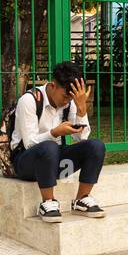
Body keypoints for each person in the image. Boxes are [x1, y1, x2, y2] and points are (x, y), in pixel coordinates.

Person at [12, 61, 107, 223]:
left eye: (71, 98)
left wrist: (81, 109)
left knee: (96, 146)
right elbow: (29, 144)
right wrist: (54, 132)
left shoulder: (70, 104)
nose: (66, 101)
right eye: (65, 96)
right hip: (26, 164)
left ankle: (81, 199)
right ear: (53, 85)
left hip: (54, 164)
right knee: (49, 147)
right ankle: (48, 202)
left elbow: (81, 139)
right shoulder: (29, 100)